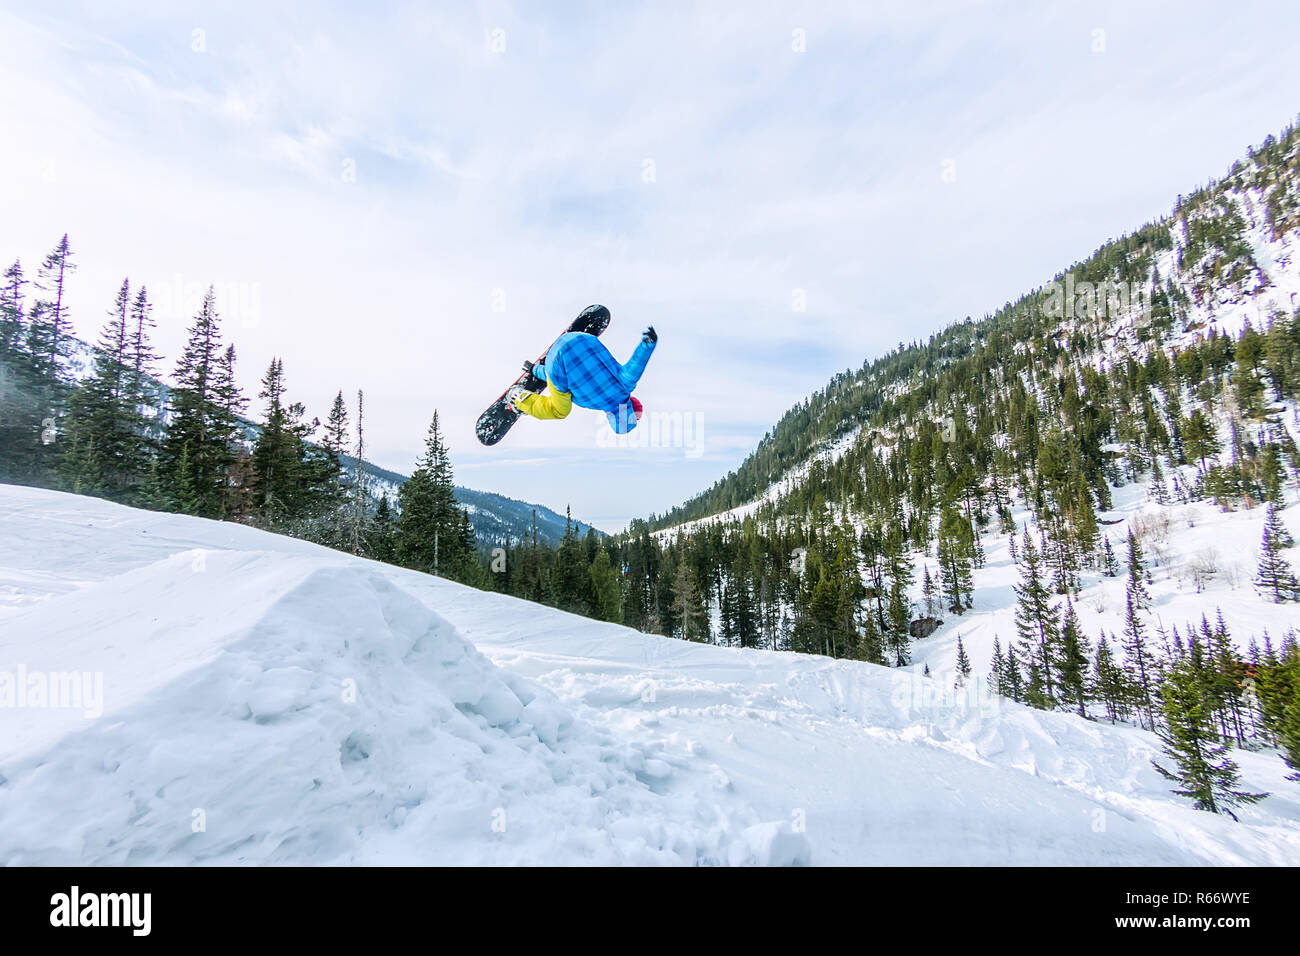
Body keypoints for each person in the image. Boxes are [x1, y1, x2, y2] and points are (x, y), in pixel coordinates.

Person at [507, 325, 657, 434]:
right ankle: (518, 398)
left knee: (570, 380)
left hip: (582, 339)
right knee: (560, 410)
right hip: (555, 360)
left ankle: (572, 343)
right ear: (613, 420)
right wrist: (535, 370)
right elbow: (560, 383)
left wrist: (649, 343)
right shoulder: (589, 403)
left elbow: (638, 364)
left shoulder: (625, 384)